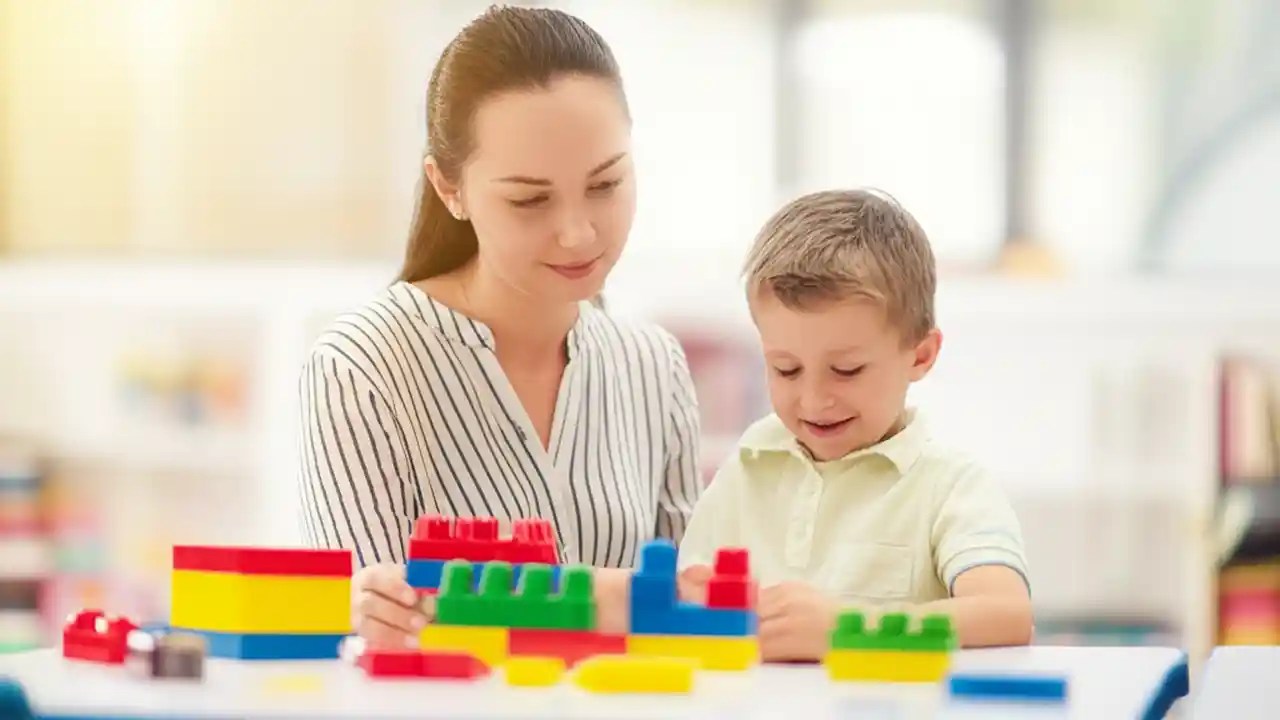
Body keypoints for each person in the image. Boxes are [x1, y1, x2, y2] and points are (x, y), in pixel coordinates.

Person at [296, 6, 703, 649]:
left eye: (606, 184)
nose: (578, 232)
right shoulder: (364, 365)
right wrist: (613, 600)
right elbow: (387, 637)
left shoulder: (654, 367)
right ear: (449, 189)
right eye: (529, 199)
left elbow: (693, 623)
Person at [676, 189, 1033, 661]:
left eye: (846, 371)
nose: (814, 399)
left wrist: (846, 629)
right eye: (785, 369)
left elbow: (1006, 614)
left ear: (920, 355)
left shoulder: (950, 486)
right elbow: (688, 605)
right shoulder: (745, 471)